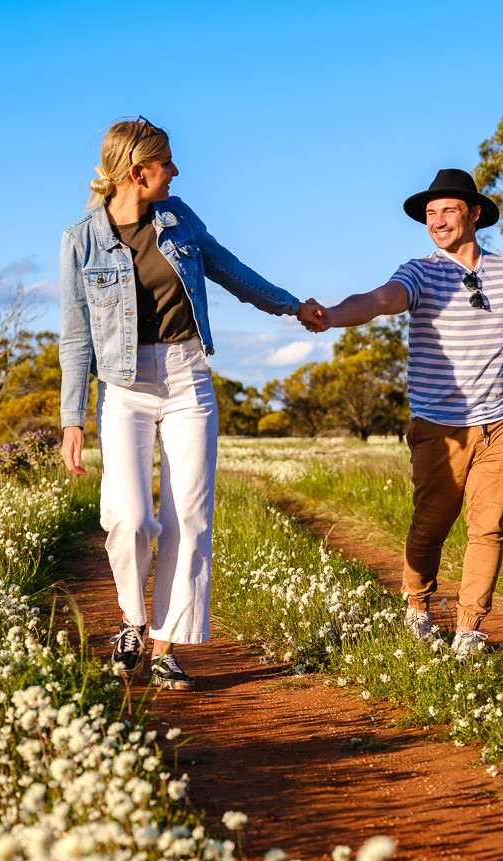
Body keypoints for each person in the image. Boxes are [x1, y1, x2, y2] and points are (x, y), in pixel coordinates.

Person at [59, 116, 324, 690]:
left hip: (186, 378)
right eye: (167, 163)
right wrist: (70, 418)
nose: (176, 171)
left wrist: (289, 305)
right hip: (123, 389)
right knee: (128, 516)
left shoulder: (179, 219)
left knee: (190, 518)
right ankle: (132, 622)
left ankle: (164, 646)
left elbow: (230, 270)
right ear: (138, 171)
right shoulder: (79, 238)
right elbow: (75, 335)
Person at [305, 168, 503, 658]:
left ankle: (468, 630)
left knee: (489, 526)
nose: (438, 221)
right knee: (431, 523)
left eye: (448, 210)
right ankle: (417, 607)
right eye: (430, 214)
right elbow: (380, 300)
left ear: (475, 214)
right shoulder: (420, 272)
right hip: (439, 429)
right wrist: (335, 314)